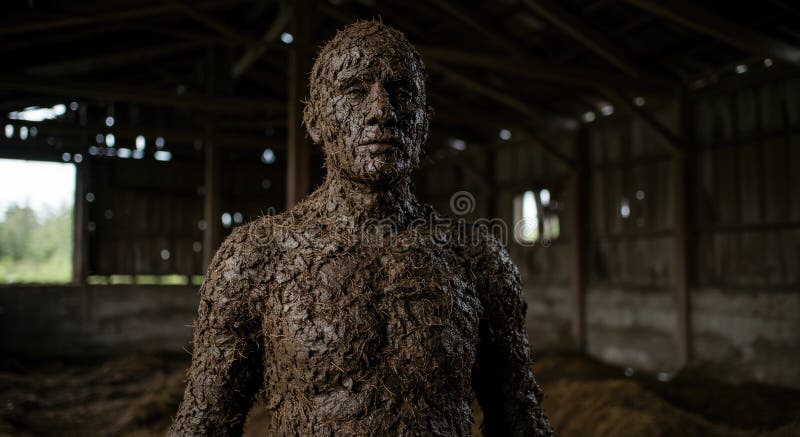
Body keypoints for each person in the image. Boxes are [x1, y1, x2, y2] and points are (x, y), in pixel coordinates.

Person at [169, 20, 552, 436]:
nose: (381, 111)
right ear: (314, 121)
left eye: (401, 94)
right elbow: (202, 426)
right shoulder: (257, 259)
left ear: (423, 122)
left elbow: (522, 421)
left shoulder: (475, 258)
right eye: (354, 91)